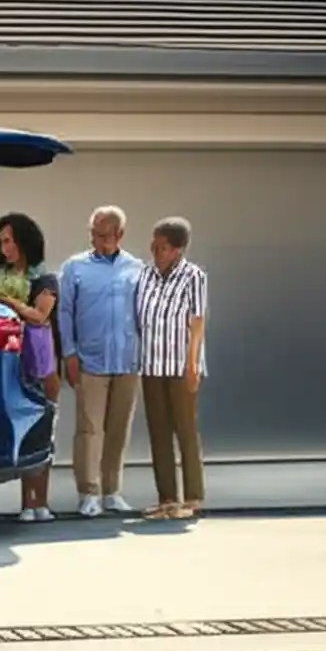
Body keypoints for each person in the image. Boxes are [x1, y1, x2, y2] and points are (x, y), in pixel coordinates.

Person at [0, 213, 60, 523]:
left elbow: (39, 315)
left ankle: (42, 502)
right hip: (7, 364)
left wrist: (9, 304)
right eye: (1, 242)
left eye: (9, 240)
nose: (4, 247)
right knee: (23, 431)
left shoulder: (43, 279)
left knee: (42, 431)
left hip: (39, 363)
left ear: (24, 241)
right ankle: (26, 504)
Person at [57, 205, 143, 518]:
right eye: (94, 234)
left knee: (118, 429)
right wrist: (69, 353)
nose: (97, 240)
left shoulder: (136, 268)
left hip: (127, 360)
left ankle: (112, 491)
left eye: (104, 235)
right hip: (89, 360)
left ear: (120, 235)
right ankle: (88, 492)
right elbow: (64, 312)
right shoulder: (74, 268)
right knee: (89, 429)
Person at [136, 217, 209, 520]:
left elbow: (197, 321)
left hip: (180, 364)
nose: (156, 250)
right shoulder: (145, 274)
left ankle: (192, 498)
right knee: (159, 432)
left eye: (163, 246)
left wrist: (192, 363)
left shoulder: (193, 276)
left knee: (185, 429)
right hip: (152, 364)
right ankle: (167, 498)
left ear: (178, 249)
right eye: (154, 244)